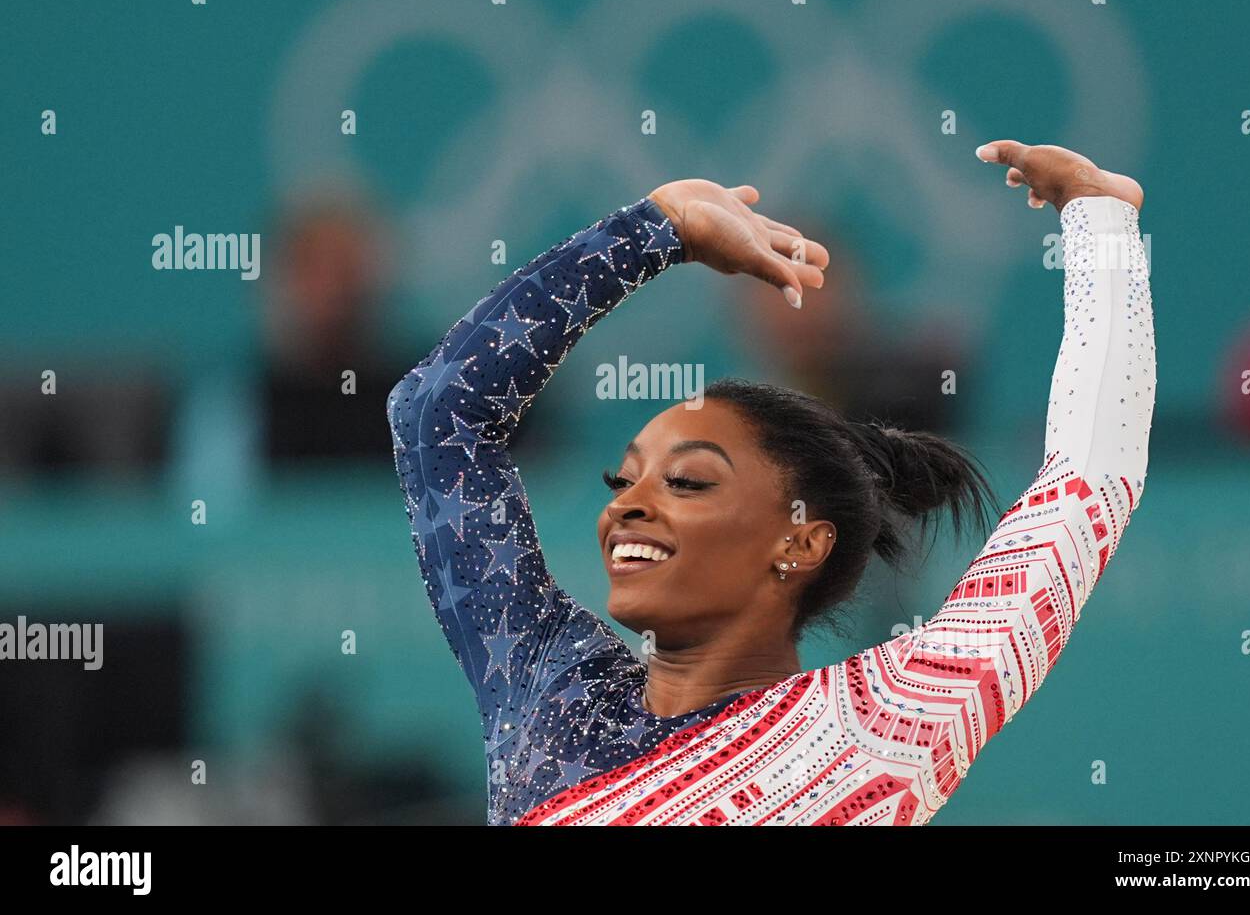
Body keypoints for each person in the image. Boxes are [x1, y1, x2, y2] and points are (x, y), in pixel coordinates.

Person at [386, 141, 1154, 825]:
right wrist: (658, 228)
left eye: (687, 482)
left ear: (800, 541)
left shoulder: (881, 722)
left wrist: (1101, 225)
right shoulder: (545, 685)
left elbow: (1087, 482)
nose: (627, 506)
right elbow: (434, 413)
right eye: (622, 479)